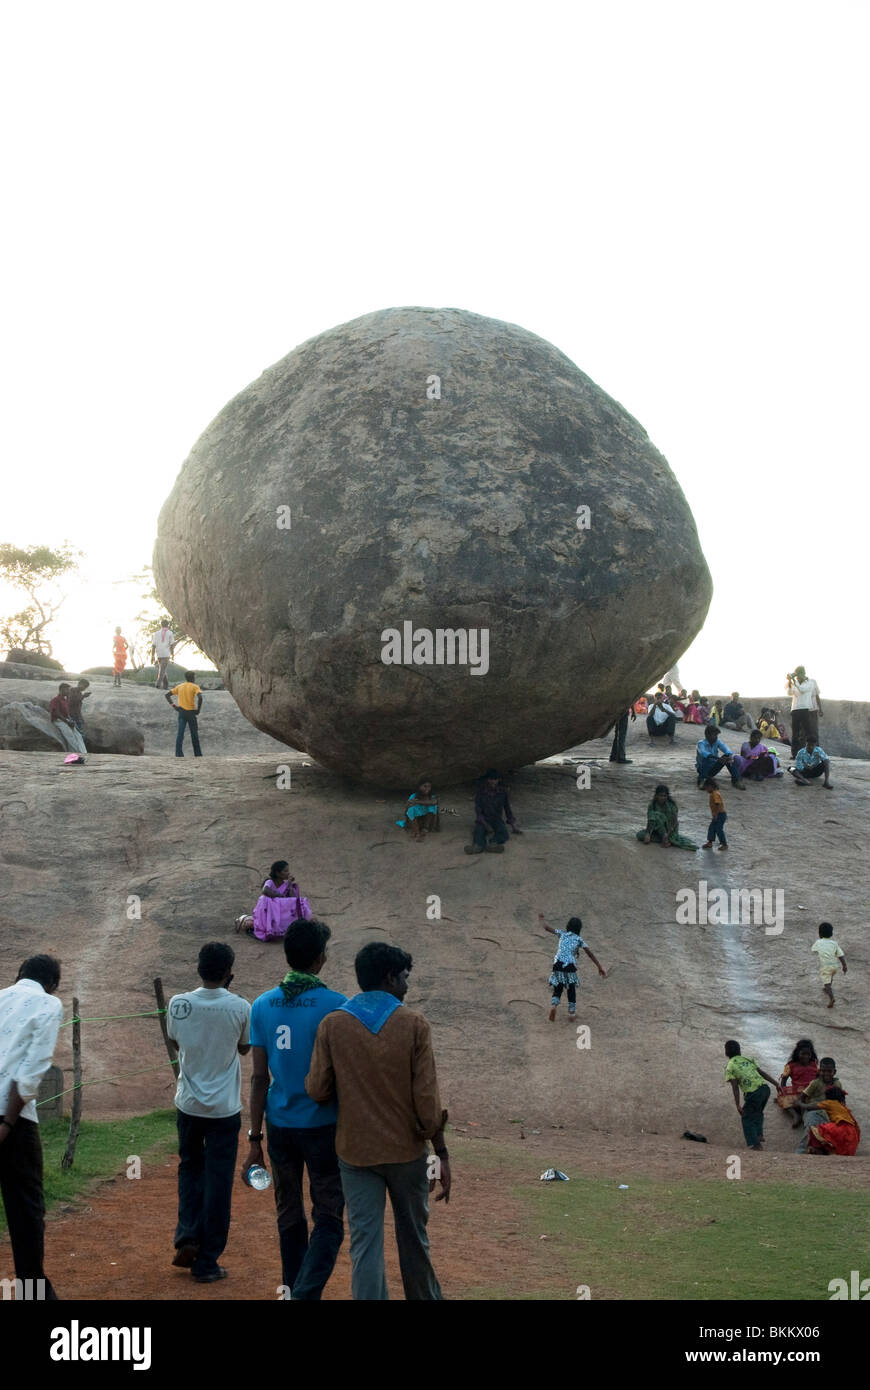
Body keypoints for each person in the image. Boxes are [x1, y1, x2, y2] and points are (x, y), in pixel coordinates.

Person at [306, 942, 449, 1301]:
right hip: (407, 1153)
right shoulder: (414, 1025)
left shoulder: (333, 1024)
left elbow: (318, 1089)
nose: (407, 985)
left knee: (365, 1243)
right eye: (403, 977)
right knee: (414, 1239)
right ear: (389, 978)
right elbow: (427, 1103)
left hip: (355, 1153)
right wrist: (441, 1152)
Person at [246, 920, 347, 1300]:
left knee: (289, 1214)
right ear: (320, 958)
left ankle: (294, 1290)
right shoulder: (338, 1006)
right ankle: (305, 1293)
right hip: (323, 1126)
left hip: (279, 1126)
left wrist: (254, 1137)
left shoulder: (262, 1005)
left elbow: (258, 1078)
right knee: (329, 1217)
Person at [166, 942, 251, 1283]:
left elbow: (176, 1043)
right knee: (218, 1182)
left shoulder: (179, 1003)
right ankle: (207, 1261)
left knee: (189, 1169)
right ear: (230, 972)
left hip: (189, 1104)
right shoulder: (241, 1007)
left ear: (198, 968)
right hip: (223, 1109)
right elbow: (244, 1048)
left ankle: (187, 1235)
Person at [0, 955, 64, 1301]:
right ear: (53, 984)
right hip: (14, 1121)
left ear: (18, 974)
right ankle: (33, 1292)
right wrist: (7, 1123)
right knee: (25, 1210)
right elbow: (32, 1069)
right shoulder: (49, 1004)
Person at [538, 911, 606, 1022]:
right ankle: (571, 1013)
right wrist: (599, 966)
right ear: (579, 929)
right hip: (569, 966)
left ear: (568, 926)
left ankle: (554, 1006)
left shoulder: (562, 934)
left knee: (558, 987)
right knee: (571, 989)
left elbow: (546, 928)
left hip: (558, 964)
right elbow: (590, 954)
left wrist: (541, 918)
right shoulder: (579, 939)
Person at [723, 1041, 783, 1150]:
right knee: (758, 1112)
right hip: (765, 1089)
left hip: (753, 1093)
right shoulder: (748, 1059)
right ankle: (759, 1134)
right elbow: (762, 1073)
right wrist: (776, 1084)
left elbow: (735, 1087)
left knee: (746, 1117)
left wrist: (737, 1104)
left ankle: (756, 1144)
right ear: (740, 1051)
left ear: (726, 1053)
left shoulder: (730, 1067)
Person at [240, 862, 312, 942]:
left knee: (301, 902)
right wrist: (280, 897)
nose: (288, 873)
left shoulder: (286, 884)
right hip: (269, 909)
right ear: (278, 873)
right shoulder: (270, 882)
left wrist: (289, 885)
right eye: (285, 871)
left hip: (280, 910)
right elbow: (265, 890)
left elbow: (293, 898)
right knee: (265, 899)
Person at [465, 770, 521, 854]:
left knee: (503, 833)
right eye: (491, 779)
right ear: (487, 780)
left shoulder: (503, 793)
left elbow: (507, 809)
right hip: (484, 819)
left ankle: (493, 844)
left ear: (499, 780)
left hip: (496, 819)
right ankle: (477, 846)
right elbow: (478, 812)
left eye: (495, 779)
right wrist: (486, 825)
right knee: (478, 831)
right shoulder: (480, 792)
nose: (493, 781)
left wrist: (513, 826)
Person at [794, 1057, 841, 1153]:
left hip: (829, 1112)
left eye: (829, 1071)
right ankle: (801, 1152)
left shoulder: (837, 1084)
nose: (826, 1074)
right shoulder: (815, 1083)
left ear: (834, 1071)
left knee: (833, 1130)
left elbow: (840, 1099)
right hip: (813, 1111)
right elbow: (802, 1097)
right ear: (819, 1071)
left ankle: (824, 1151)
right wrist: (803, 1110)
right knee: (811, 1127)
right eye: (823, 1071)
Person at [637, 784, 697, 849]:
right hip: (657, 830)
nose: (663, 798)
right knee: (639, 835)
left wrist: (666, 835)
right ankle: (664, 839)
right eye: (661, 795)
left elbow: (675, 822)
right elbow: (650, 820)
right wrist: (648, 833)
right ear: (656, 795)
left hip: (670, 830)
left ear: (667, 796)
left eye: (665, 796)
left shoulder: (671, 806)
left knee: (658, 816)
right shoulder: (652, 805)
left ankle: (666, 838)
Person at [776, 1040, 819, 1130]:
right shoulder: (791, 1065)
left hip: (811, 1090)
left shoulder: (814, 1064)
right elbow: (783, 1081)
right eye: (803, 1053)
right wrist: (783, 1092)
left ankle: (802, 1112)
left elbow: (819, 1078)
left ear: (811, 1054)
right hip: (796, 1091)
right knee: (781, 1096)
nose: (806, 1056)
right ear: (797, 1053)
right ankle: (795, 1115)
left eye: (808, 1054)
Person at [806, 1088, 861, 1156]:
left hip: (842, 1127)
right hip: (852, 1132)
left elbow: (810, 1107)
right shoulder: (843, 1106)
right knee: (830, 1137)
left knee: (816, 1131)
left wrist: (799, 1104)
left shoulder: (829, 1102)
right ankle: (830, 1152)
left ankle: (818, 1151)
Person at [786, 666, 823, 759]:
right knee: (795, 733)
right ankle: (795, 754)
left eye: (798, 674)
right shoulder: (795, 682)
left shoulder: (810, 682)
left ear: (803, 674)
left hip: (805, 709)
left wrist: (794, 681)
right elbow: (789, 692)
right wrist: (790, 681)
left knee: (808, 733)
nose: (797, 676)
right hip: (795, 709)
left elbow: (802, 690)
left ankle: (812, 752)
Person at [696, 725, 746, 789]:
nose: (716, 737)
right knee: (706, 759)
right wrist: (718, 758)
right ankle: (701, 781)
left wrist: (729, 756)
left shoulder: (717, 742)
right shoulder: (701, 743)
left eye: (717, 735)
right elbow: (704, 753)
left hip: (713, 768)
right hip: (702, 769)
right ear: (707, 735)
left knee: (727, 757)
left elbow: (727, 749)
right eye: (714, 735)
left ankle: (736, 780)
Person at [166, 670, 203, 758]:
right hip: (191, 713)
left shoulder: (180, 686)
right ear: (193, 677)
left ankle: (178, 754)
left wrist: (174, 706)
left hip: (182, 712)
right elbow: (200, 698)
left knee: (180, 734)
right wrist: (198, 710)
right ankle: (198, 754)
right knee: (194, 734)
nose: (195, 678)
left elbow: (167, 695)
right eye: (195, 677)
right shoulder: (195, 686)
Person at [811, 921, 846, 1008]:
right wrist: (844, 966)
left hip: (825, 966)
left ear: (819, 933)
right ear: (831, 933)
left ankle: (831, 998)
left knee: (826, 982)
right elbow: (840, 955)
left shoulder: (818, 942)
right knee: (830, 976)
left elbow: (813, 949)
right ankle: (828, 988)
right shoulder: (834, 943)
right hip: (835, 966)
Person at [48, 682, 87, 755]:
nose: (69, 691)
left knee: (78, 735)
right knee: (70, 736)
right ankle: (76, 753)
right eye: (67, 690)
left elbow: (67, 713)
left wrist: (70, 720)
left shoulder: (65, 700)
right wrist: (66, 721)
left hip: (66, 720)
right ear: (61, 690)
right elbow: (56, 713)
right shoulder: (55, 700)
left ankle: (83, 752)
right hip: (58, 720)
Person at [702, 779, 727, 850]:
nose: (706, 790)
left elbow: (718, 804)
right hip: (718, 814)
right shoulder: (713, 793)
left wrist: (716, 814)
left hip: (720, 814)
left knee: (719, 829)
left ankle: (724, 844)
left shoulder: (715, 794)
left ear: (710, 786)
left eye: (706, 788)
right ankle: (710, 842)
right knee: (712, 828)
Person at [152, 619, 176, 690]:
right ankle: (158, 684)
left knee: (162, 669)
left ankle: (166, 685)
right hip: (166, 653)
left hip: (158, 653)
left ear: (161, 625)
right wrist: (172, 654)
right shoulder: (170, 633)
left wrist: (152, 656)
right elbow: (172, 645)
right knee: (162, 669)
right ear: (168, 625)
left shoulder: (156, 633)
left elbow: (153, 645)